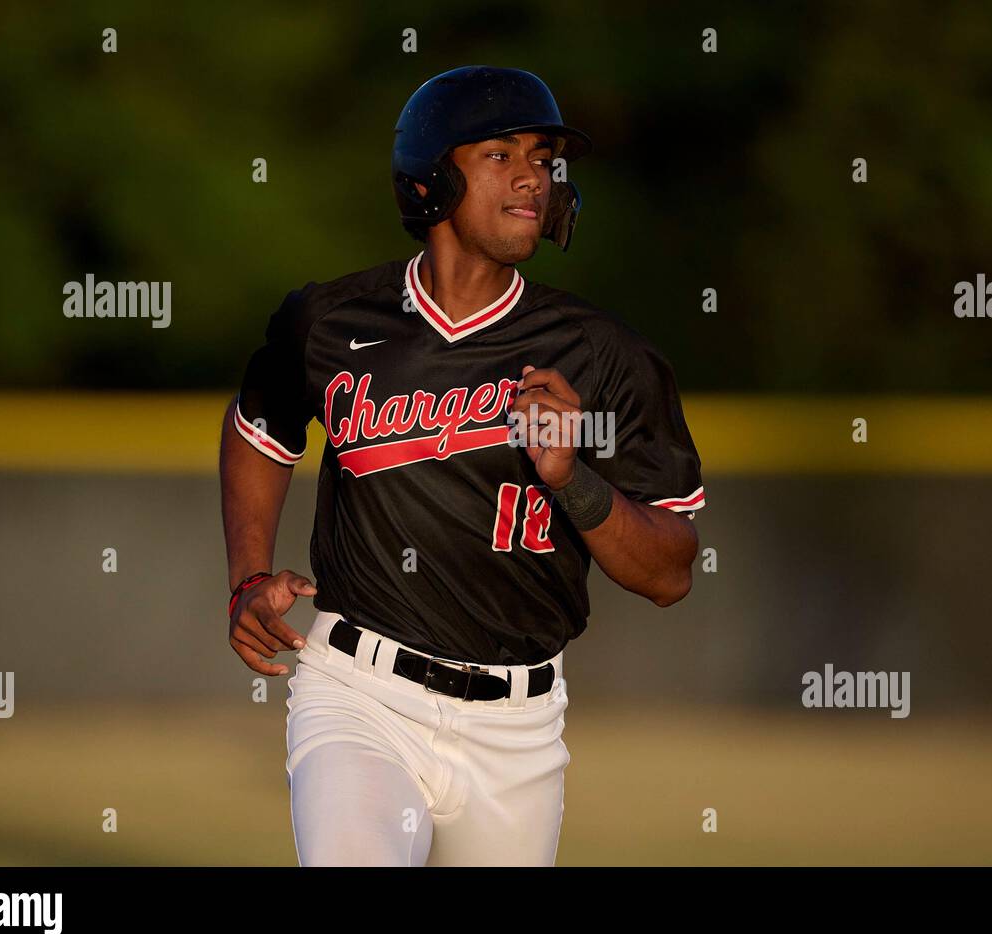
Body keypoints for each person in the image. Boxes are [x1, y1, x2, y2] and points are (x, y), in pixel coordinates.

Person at [219, 65, 705, 866]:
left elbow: (670, 573)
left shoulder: (605, 357)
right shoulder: (330, 321)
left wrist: (574, 482)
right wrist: (246, 575)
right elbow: (259, 431)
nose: (534, 177)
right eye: (502, 153)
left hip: (518, 730)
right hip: (359, 695)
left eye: (545, 159)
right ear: (432, 181)